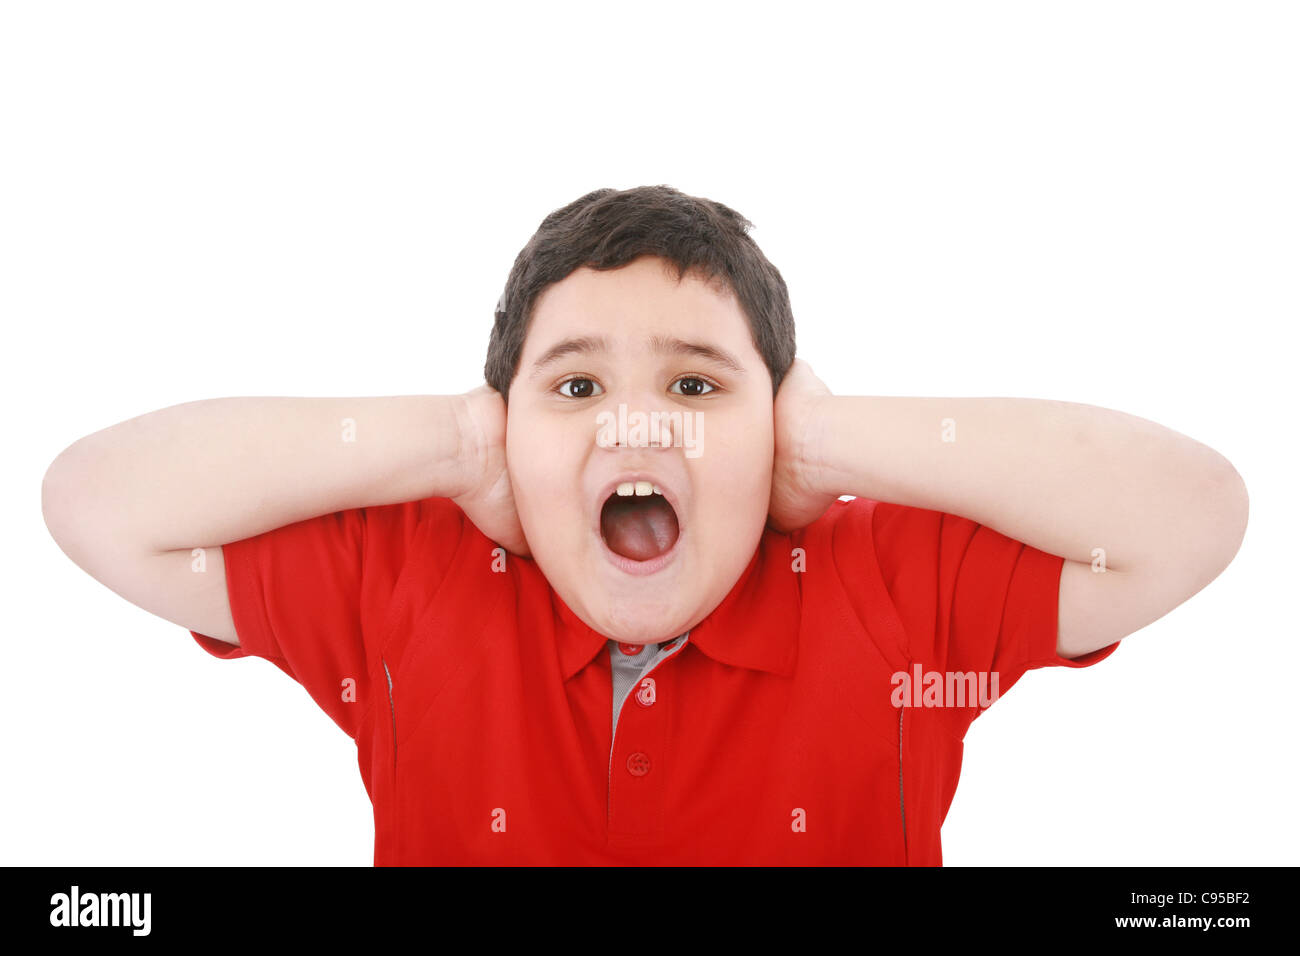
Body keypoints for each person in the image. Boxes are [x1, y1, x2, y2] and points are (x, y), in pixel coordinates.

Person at [40, 184, 1249, 864]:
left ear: (773, 427)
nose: (639, 431)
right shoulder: (410, 573)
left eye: (694, 386)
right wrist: (461, 445)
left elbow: (1191, 517)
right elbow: (95, 503)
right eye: (574, 387)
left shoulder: (883, 575)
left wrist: (827, 444)